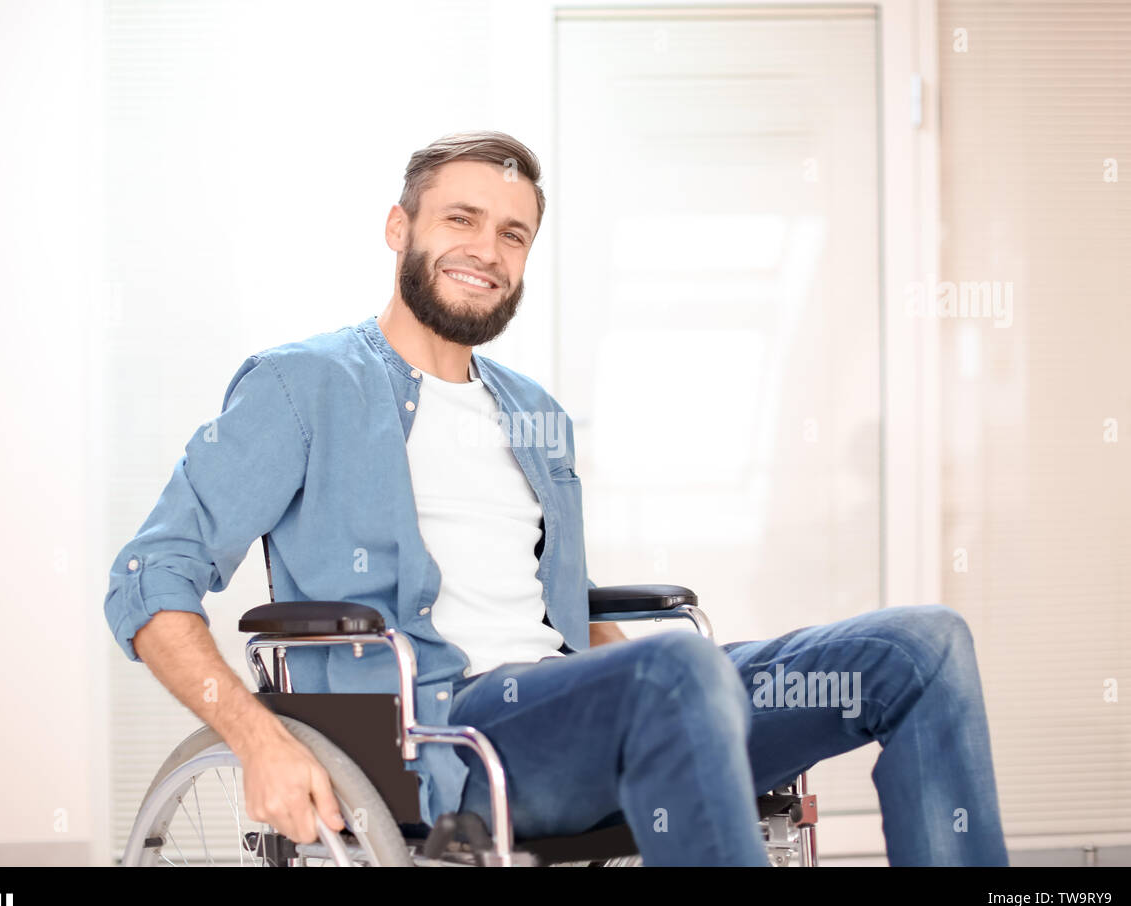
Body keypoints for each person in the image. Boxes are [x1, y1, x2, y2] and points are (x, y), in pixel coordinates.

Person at [104, 130, 1008, 865]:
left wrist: (653, 683)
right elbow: (150, 576)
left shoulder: (532, 413)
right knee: (676, 668)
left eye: (513, 234)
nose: (487, 251)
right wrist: (260, 738)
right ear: (397, 227)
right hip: (450, 740)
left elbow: (561, 615)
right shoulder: (304, 387)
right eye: (462, 218)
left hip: (588, 707)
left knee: (923, 643)